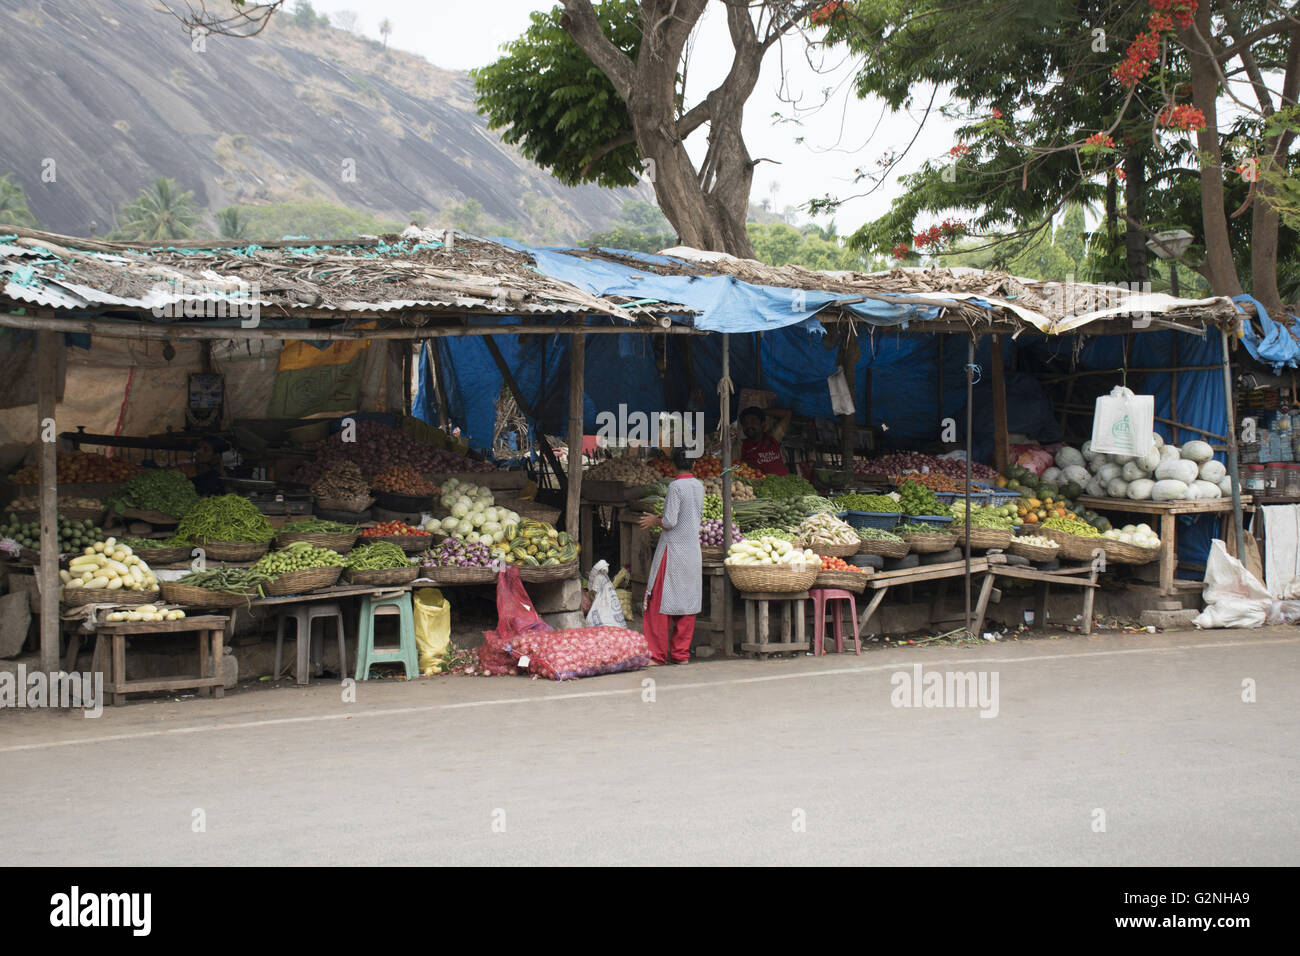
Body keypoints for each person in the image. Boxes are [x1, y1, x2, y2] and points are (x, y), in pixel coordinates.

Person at [637, 447, 703, 665]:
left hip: (673, 550)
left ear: (673, 465)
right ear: (693, 465)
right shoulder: (699, 486)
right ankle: (681, 654)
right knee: (687, 601)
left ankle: (656, 655)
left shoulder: (676, 486)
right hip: (692, 550)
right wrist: (661, 517)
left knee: (659, 602)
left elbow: (670, 521)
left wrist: (656, 520)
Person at [736, 405, 792, 475]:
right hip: (760, 484)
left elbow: (787, 413)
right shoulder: (740, 445)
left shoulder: (773, 437)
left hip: (785, 483)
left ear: (762, 424)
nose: (749, 426)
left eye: (753, 421)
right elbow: (731, 466)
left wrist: (760, 412)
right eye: (745, 423)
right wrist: (748, 468)